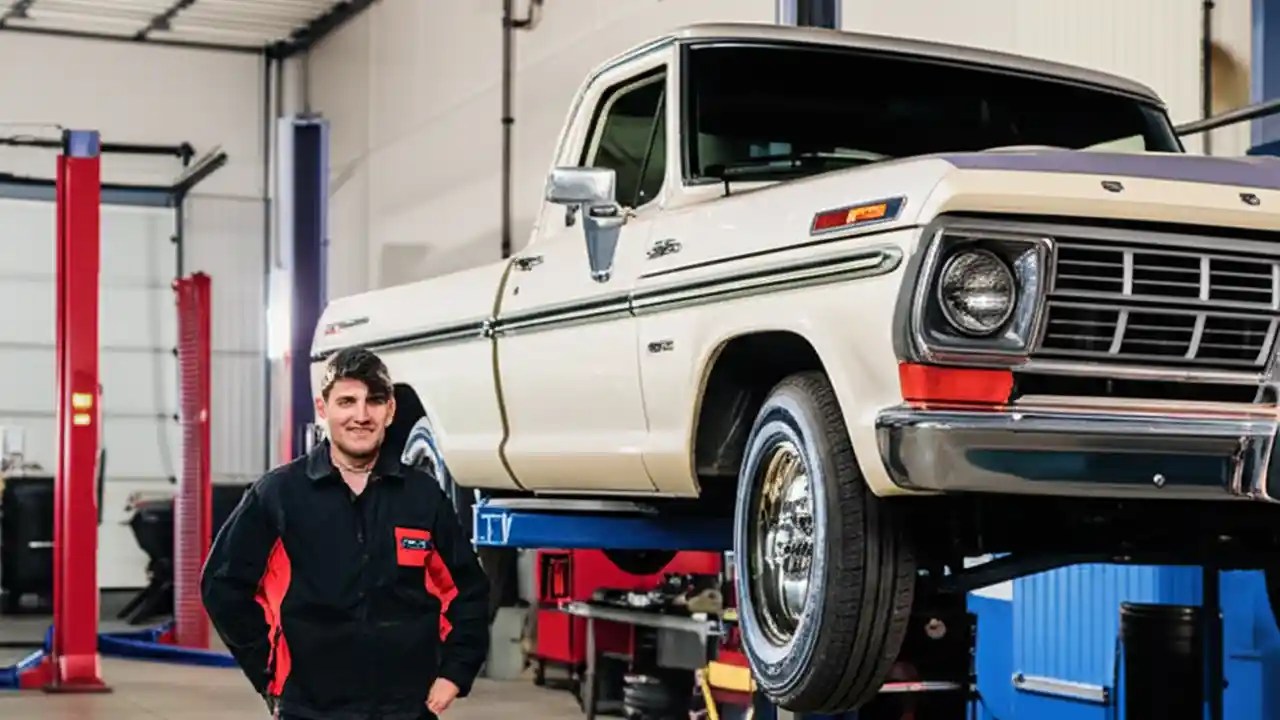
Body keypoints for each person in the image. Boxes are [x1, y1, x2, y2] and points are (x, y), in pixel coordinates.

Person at [201, 347, 490, 719]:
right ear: (323, 409)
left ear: (390, 411)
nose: (361, 415)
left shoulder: (422, 497)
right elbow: (223, 585)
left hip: (405, 709)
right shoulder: (280, 495)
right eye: (347, 401)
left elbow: (468, 590)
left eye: (374, 401)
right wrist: (270, 674)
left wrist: (455, 672)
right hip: (310, 710)